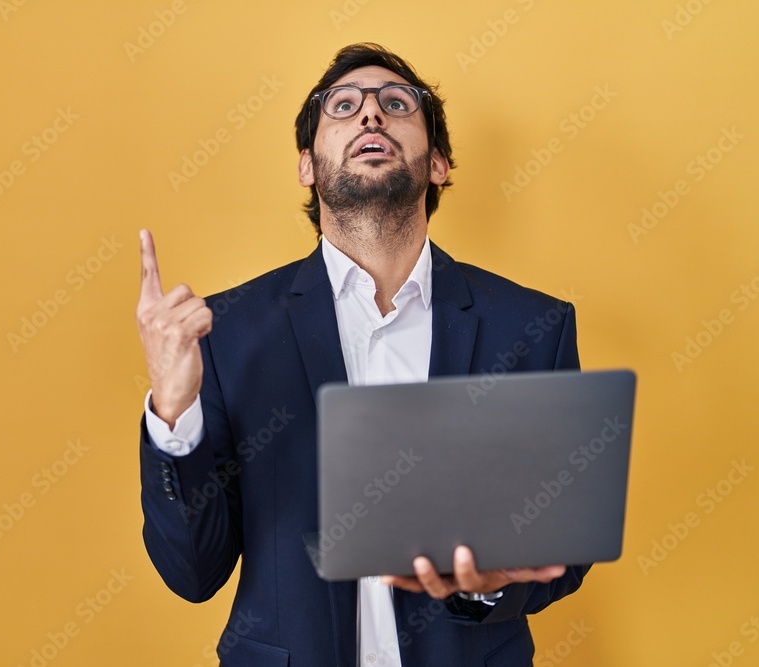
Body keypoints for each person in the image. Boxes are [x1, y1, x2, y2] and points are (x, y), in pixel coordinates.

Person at [136, 43, 589, 667]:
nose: (370, 116)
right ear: (307, 166)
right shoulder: (227, 333)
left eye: (397, 104)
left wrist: (496, 587)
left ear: (437, 163)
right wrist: (172, 411)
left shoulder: (532, 327)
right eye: (343, 106)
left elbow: (564, 548)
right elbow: (193, 572)